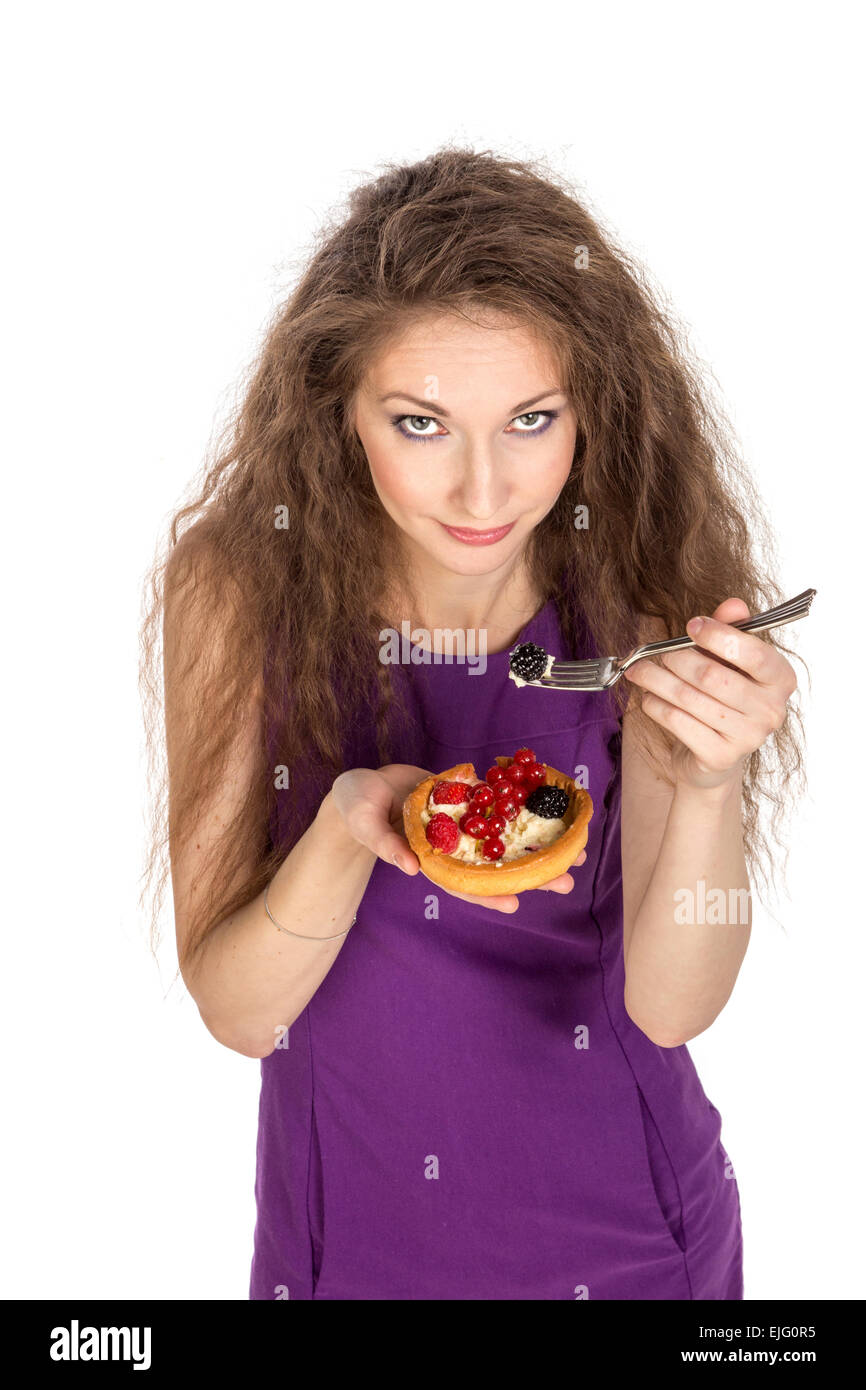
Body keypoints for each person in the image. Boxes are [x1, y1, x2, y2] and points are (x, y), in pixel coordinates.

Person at [143, 148, 804, 1300]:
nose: (483, 492)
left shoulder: (645, 601)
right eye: (421, 424)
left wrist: (707, 782)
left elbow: (670, 1007)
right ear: (337, 411)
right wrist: (349, 827)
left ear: (591, 409)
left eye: (530, 420)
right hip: (339, 1253)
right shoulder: (237, 589)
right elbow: (240, 1014)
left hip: (631, 1245)